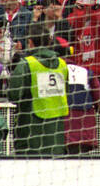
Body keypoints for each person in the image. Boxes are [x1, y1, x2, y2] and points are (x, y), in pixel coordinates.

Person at [7, 26, 71, 156]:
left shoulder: (26, 64)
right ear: (49, 42)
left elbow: (13, 94)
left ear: (30, 42)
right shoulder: (62, 64)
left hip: (30, 132)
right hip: (56, 133)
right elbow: (67, 91)